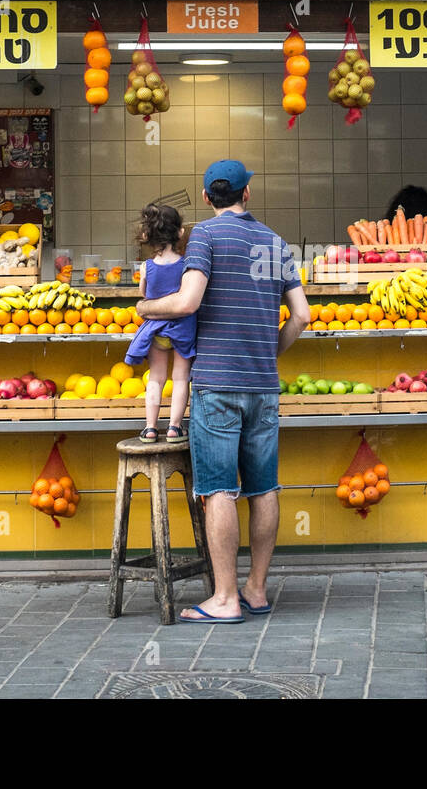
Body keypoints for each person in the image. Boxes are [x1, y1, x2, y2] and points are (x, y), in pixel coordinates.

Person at [135, 160, 311, 624]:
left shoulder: (206, 238)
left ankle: (225, 598)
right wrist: (269, 351)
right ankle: (255, 590)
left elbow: (188, 301)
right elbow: (302, 316)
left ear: (209, 198)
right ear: (247, 193)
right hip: (262, 385)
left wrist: (145, 307)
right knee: (263, 486)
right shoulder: (276, 244)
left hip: (216, 383)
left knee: (218, 489)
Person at [125, 203, 195, 443]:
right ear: (180, 232)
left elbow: (144, 294)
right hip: (183, 328)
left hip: (156, 330)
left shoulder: (147, 266)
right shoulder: (187, 264)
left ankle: (151, 427)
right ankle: (175, 427)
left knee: (155, 379)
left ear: (148, 235)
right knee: (180, 378)